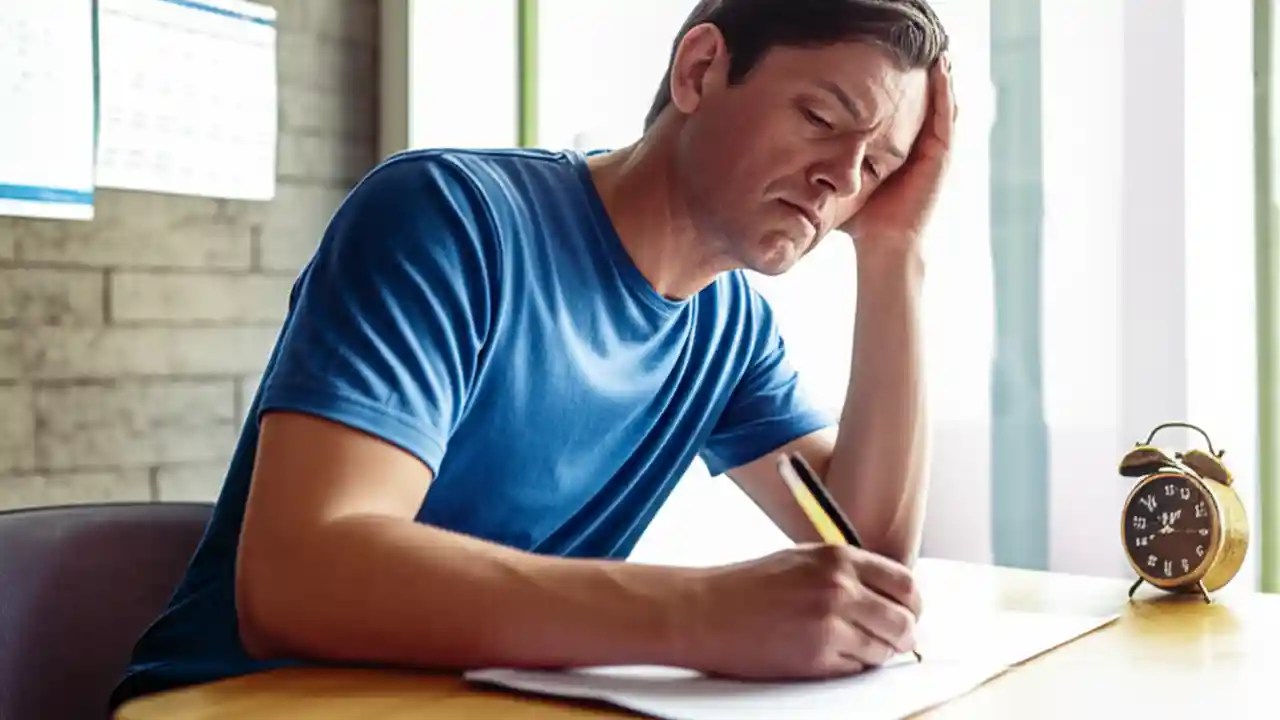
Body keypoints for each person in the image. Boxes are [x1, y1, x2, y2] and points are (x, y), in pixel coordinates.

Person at [110, 0, 953, 707]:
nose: (843, 179)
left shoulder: (728, 329)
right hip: (248, 704)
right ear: (700, 70)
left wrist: (896, 254)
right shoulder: (449, 218)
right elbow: (300, 579)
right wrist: (699, 612)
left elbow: (870, 567)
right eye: (820, 119)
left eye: (878, 167)